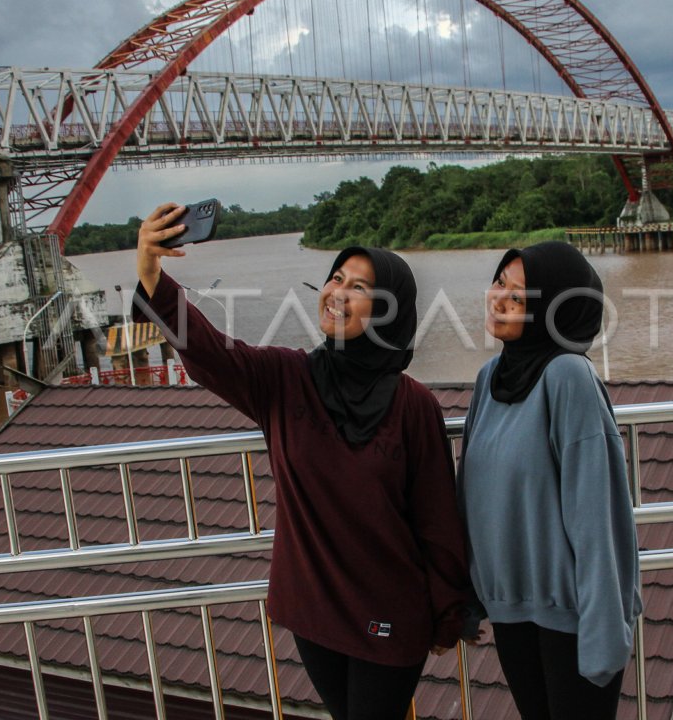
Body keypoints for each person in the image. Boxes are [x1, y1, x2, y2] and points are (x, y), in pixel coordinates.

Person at [132, 203, 469, 720]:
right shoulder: (286, 381)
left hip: (390, 612)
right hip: (314, 612)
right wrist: (151, 272)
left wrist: (448, 615)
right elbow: (210, 354)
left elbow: (437, 518)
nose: (338, 292)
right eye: (336, 278)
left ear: (389, 310)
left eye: (360, 286)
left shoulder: (412, 405)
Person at [458, 241, 642, 720]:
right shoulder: (490, 377)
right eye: (499, 283)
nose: (497, 299)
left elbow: (596, 513)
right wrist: (469, 593)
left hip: (571, 619)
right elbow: (470, 495)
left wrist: (604, 629)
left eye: (517, 297)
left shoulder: (568, 377)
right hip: (512, 610)